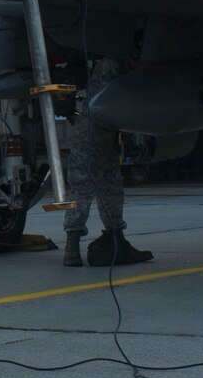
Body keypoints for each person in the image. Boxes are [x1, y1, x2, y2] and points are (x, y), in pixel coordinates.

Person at [62, 56, 153, 268]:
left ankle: (76, 248)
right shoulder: (111, 63)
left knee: (102, 190)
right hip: (96, 134)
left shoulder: (101, 66)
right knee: (92, 191)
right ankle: (90, 244)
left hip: (100, 135)